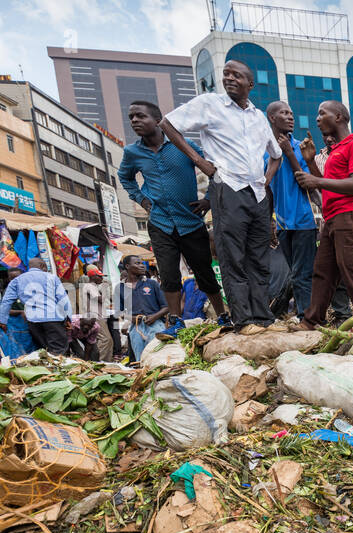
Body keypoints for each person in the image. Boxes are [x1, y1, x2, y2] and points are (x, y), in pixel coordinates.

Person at [161, 60, 280, 325]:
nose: (229, 79)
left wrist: (266, 180)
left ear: (250, 84)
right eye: (226, 74)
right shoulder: (210, 104)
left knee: (259, 257)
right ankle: (244, 319)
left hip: (258, 194)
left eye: (237, 75)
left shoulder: (258, 117)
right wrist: (200, 161)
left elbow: (276, 155)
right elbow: (167, 124)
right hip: (228, 187)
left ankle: (263, 316)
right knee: (233, 257)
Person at [118, 101, 227, 324]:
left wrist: (207, 200)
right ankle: (176, 322)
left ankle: (223, 316)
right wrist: (141, 199)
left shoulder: (183, 145)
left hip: (191, 222)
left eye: (140, 116)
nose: (134, 121)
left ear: (157, 121)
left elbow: (215, 170)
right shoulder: (132, 152)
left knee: (204, 272)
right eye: (131, 117)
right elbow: (125, 177)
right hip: (160, 223)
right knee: (169, 275)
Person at [293, 101, 353, 327]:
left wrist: (316, 179)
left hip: (350, 215)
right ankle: (311, 321)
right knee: (322, 272)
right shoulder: (337, 150)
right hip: (333, 219)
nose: (317, 118)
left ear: (338, 117)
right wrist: (310, 161)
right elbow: (328, 186)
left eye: (322, 113)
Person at [264, 101, 318, 322]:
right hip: (283, 224)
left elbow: (306, 182)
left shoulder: (299, 147)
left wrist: (289, 152)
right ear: (272, 118)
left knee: (302, 273)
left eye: (291, 113)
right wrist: (269, 221)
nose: (290, 117)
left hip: (304, 221)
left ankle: (307, 317)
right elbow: (265, 189)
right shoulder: (264, 150)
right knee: (294, 273)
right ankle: (299, 313)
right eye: (284, 113)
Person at [0, 258, 72, 355]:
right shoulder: (52, 278)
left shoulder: (17, 281)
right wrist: (68, 318)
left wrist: (2, 321)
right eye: (46, 267)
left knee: (44, 351)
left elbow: (6, 302)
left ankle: (48, 369)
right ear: (42, 266)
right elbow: (63, 300)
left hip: (33, 321)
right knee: (58, 352)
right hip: (53, 319)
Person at [113, 255, 168, 359]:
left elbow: (166, 307)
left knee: (158, 357)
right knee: (141, 359)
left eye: (142, 263)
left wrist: (154, 317)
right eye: (137, 263)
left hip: (156, 325)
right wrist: (130, 318)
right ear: (128, 266)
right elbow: (119, 312)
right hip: (136, 327)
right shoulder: (119, 288)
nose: (142, 266)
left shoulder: (152, 283)